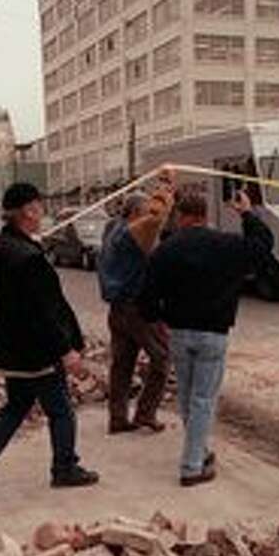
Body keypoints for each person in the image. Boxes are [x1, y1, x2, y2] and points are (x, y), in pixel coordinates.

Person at [0, 181, 99, 494]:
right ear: (28, 211)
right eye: (39, 207)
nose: (42, 213)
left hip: (11, 350)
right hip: (38, 353)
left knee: (17, 405)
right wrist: (66, 351)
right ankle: (65, 467)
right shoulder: (28, 257)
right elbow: (44, 313)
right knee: (60, 409)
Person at [141, 186, 274, 487]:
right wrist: (246, 213)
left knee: (188, 398)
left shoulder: (167, 249)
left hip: (179, 332)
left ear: (181, 216)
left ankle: (199, 450)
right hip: (213, 333)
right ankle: (192, 466)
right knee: (202, 400)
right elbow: (263, 245)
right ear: (205, 215)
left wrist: (156, 318)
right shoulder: (226, 245)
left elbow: (146, 293)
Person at [96, 177, 175, 434]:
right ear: (135, 213)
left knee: (122, 365)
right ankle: (146, 413)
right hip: (137, 308)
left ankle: (118, 418)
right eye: (142, 212)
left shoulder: (111, 230)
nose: (146, 217)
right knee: (162, 358)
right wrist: (166, 187)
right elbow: (155, 218)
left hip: (117, 309)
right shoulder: (130, 234)